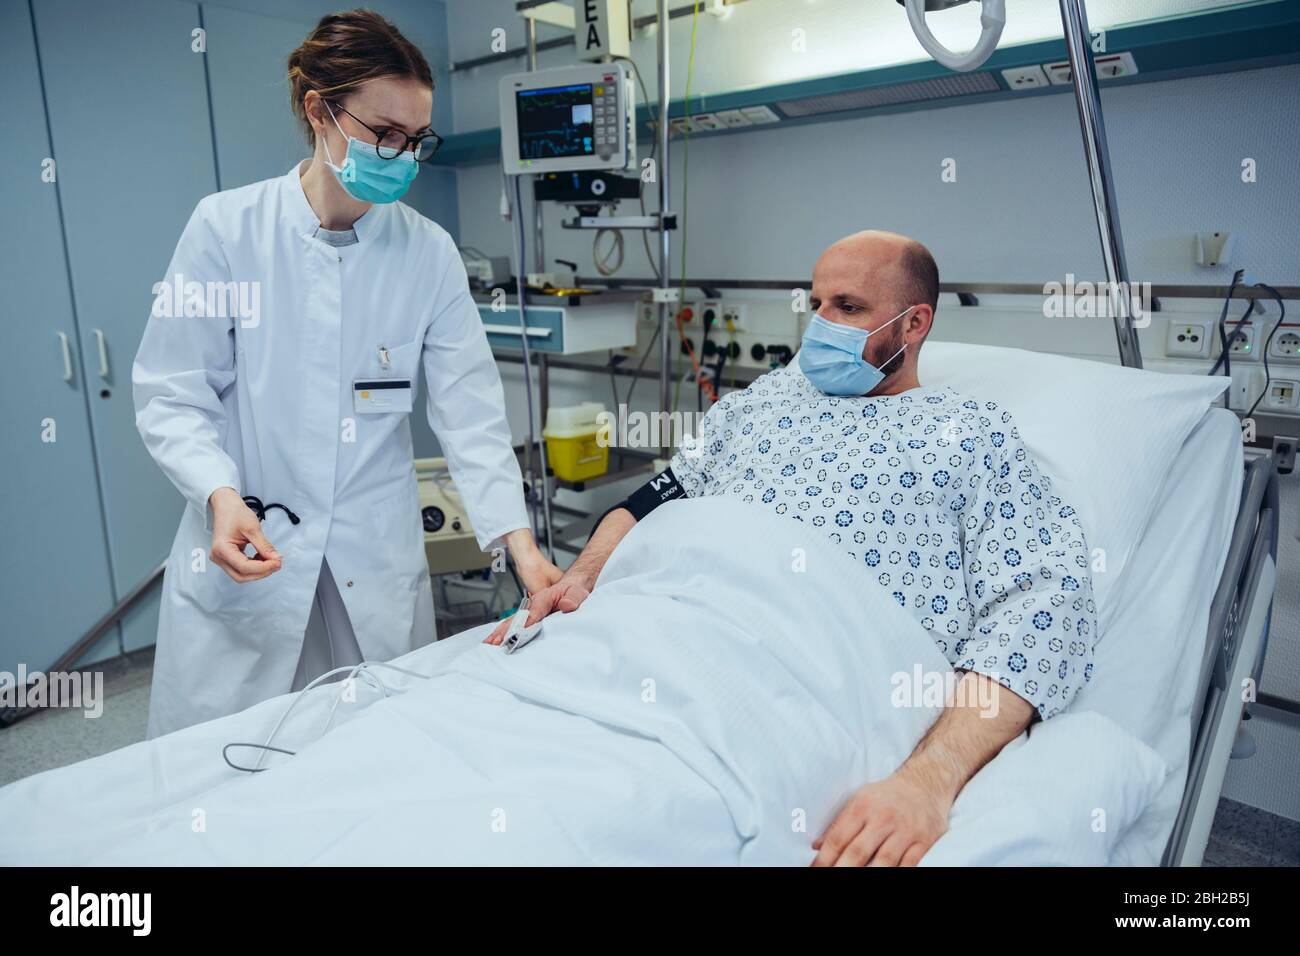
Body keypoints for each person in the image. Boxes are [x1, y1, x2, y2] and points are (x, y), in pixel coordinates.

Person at [488, 229, 1098, 866]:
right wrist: (585, 576)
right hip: (647, 634)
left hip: (791, 679)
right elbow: (651, 499)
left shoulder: (970, 434)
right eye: (817, 305)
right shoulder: (763, 402)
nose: (822, 325)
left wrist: (926, 782)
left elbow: (1042, 608)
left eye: (850, 308)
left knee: (590, 818)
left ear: (914, 323)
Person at [134, 10, 559, 739]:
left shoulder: (428, 254)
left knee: (374, 756)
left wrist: (517, 542)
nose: (399, 154)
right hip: (254, 544)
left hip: (373, 556)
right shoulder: (225, 230)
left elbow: (471, 414)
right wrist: (217, 495)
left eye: (415, 140)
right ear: (318, 111)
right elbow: (172, 392)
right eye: (382, 133)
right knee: (225, 770)